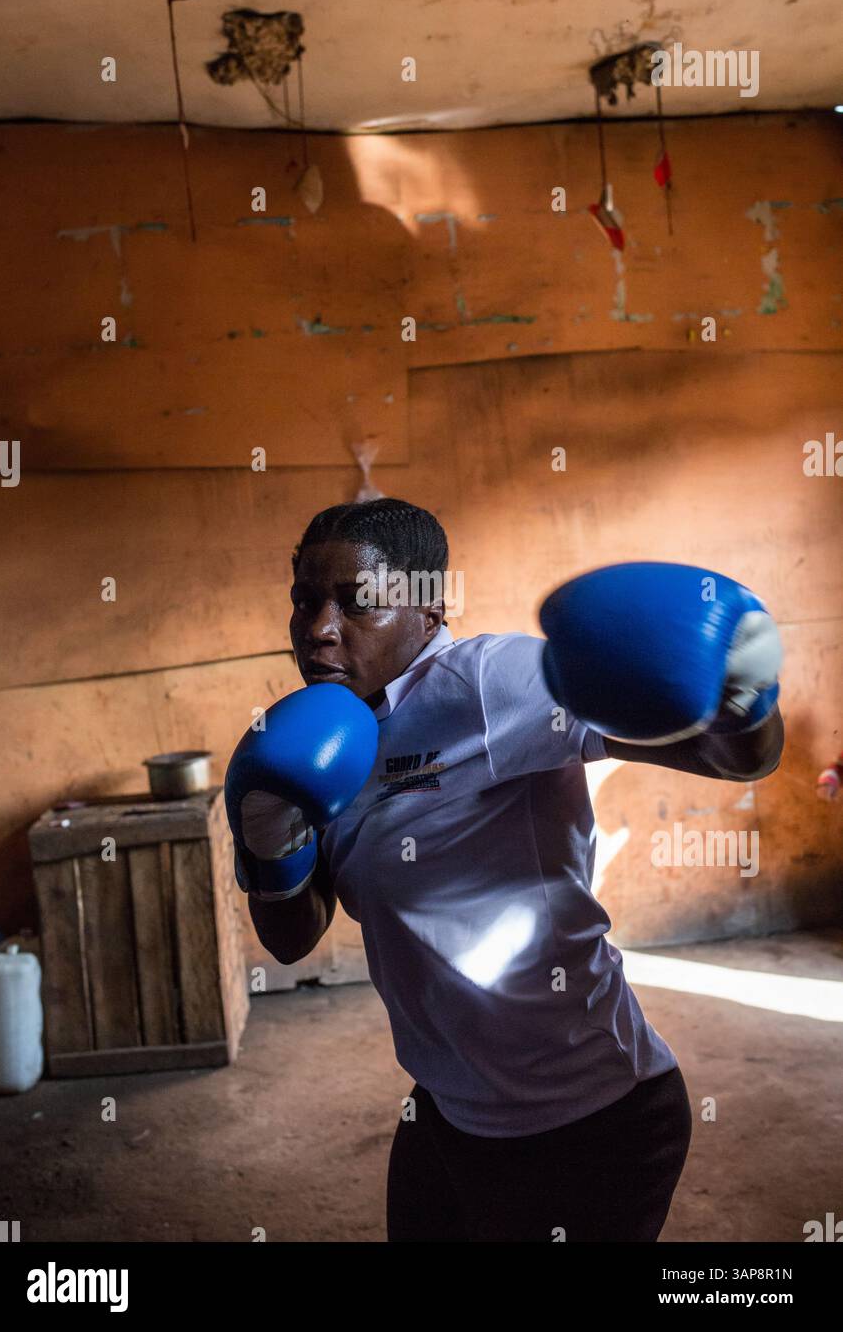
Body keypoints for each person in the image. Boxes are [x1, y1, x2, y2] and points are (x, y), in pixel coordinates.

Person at [226, 498, 784, 1243]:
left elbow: (732, 758)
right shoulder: (317, 738)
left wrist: (742, 697)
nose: (319, 629)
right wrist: (270, 844)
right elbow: (294, 939)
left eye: (358, 603)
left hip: (590, 1119)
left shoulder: (488, 683)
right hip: (446, 1112)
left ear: (427, 610)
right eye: (305, 601)